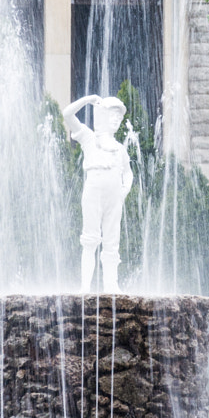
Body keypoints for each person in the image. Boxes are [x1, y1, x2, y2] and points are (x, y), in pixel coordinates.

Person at [63, 94, 133, 293]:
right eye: (112, 115)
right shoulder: (89, 138)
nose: (116, 121)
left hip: (114, 197)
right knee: (90, 240)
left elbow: (128, 173)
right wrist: (87, 100)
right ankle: (85, 286)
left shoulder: (120, 149)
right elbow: (67, 114)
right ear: (102, 115)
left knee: (112, 243)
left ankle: (111, 285)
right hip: (93, 192)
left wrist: (124, 191)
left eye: (119, 118)